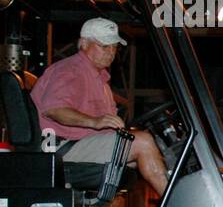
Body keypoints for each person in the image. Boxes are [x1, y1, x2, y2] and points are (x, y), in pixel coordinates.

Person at [30, 17, 169, 195]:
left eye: (114, 47)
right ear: (84, 43)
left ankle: (177, 195)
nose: (111, 52)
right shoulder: (69, 70)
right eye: (104, 46)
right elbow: (54, 110)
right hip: (62, 148)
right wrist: (94, 121)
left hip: (82, 144)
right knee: (142, 142)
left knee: (155, 147)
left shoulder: (101, 80)